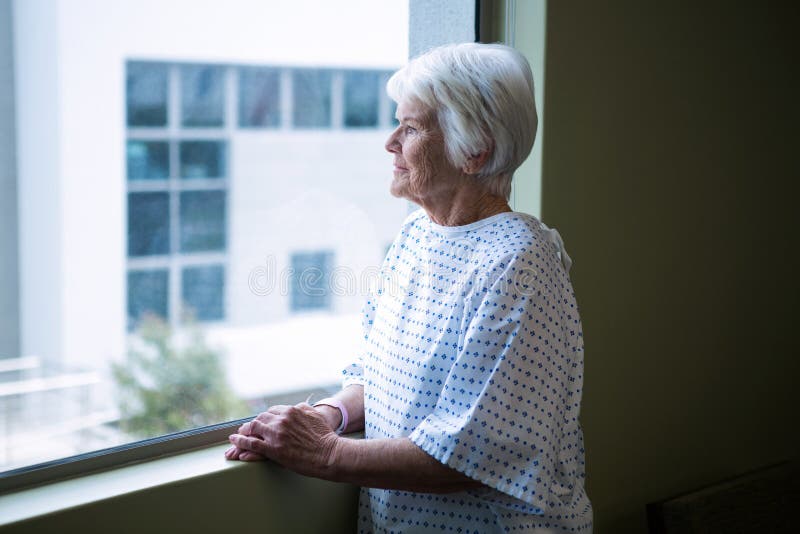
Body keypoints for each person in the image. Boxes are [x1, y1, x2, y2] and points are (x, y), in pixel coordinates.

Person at [226, 42, 593, 533]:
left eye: (413, 127)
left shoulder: (520, 264)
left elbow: (469, 455)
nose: (390, 141)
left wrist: (322, 453)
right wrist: (330, 415)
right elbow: (377, 373)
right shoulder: (415, 234)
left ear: (475, 150)